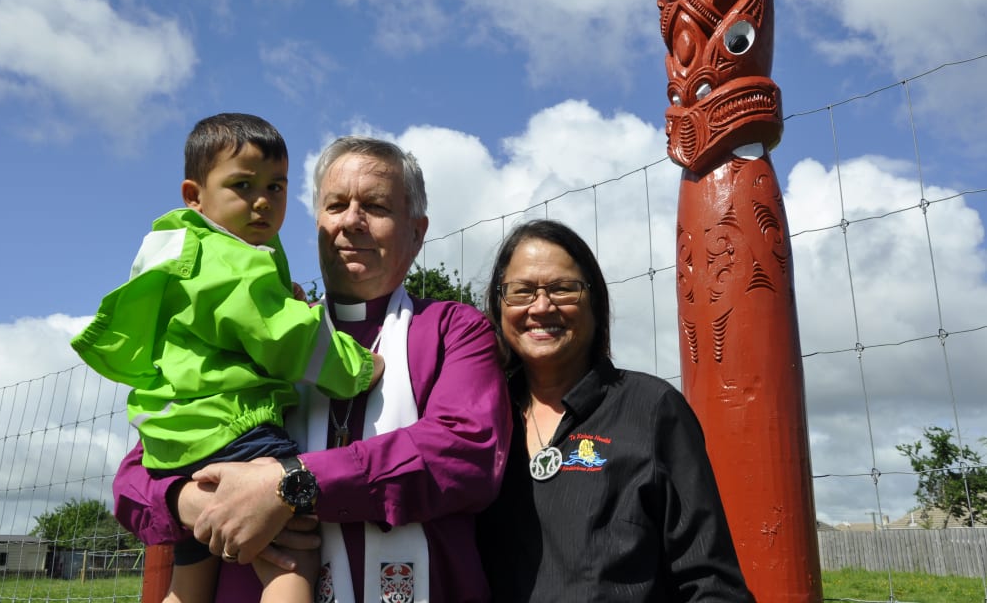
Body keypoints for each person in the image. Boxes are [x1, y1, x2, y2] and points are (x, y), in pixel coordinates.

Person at [112, 135, 512, 602]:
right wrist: (193, 501)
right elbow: (136, 477)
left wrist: (289, 484)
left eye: (376, 207)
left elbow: (464, 452)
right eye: (336, 205)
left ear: (417, 231)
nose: (351, 222)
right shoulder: (259, 329)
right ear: (318, 223)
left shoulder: (453, 329)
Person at [73, 114, 384, 603]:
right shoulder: (236, 260)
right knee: (290, 558)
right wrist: (360, 367)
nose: (262, 201)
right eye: (243, 185)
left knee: (188, 584)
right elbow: (287, 339)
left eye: (276, 186)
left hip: (175, 440)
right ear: (194, 195)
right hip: (236, 429)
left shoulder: (183, 252)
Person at [476, 219, 754, 602]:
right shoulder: (481, 419)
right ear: (499, 305)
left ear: (595, 302)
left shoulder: (652, 409)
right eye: (521, 291)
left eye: (562, 288)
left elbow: (712, 584)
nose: (541, 306)